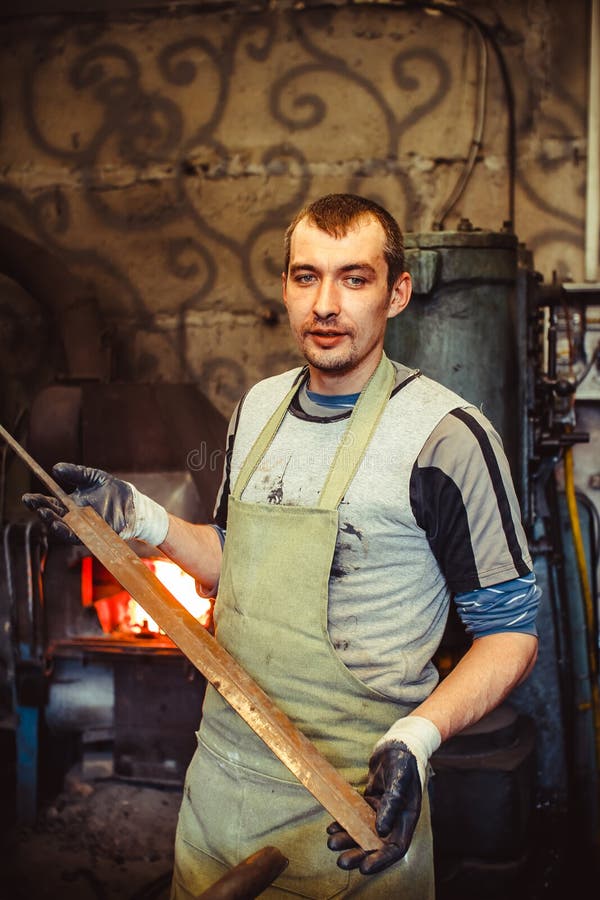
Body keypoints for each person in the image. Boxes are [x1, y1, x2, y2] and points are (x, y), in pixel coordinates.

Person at [24, 193, 539, 899]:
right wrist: (138, 518)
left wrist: (416, 741)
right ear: (286, 288)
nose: (326, 303)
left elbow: (510, 635)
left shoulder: (447, 437)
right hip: (219, 797)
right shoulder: (258, 408)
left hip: (354, 813)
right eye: (306, 276)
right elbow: (236, 566)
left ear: (397, 293)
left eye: (354, 279)